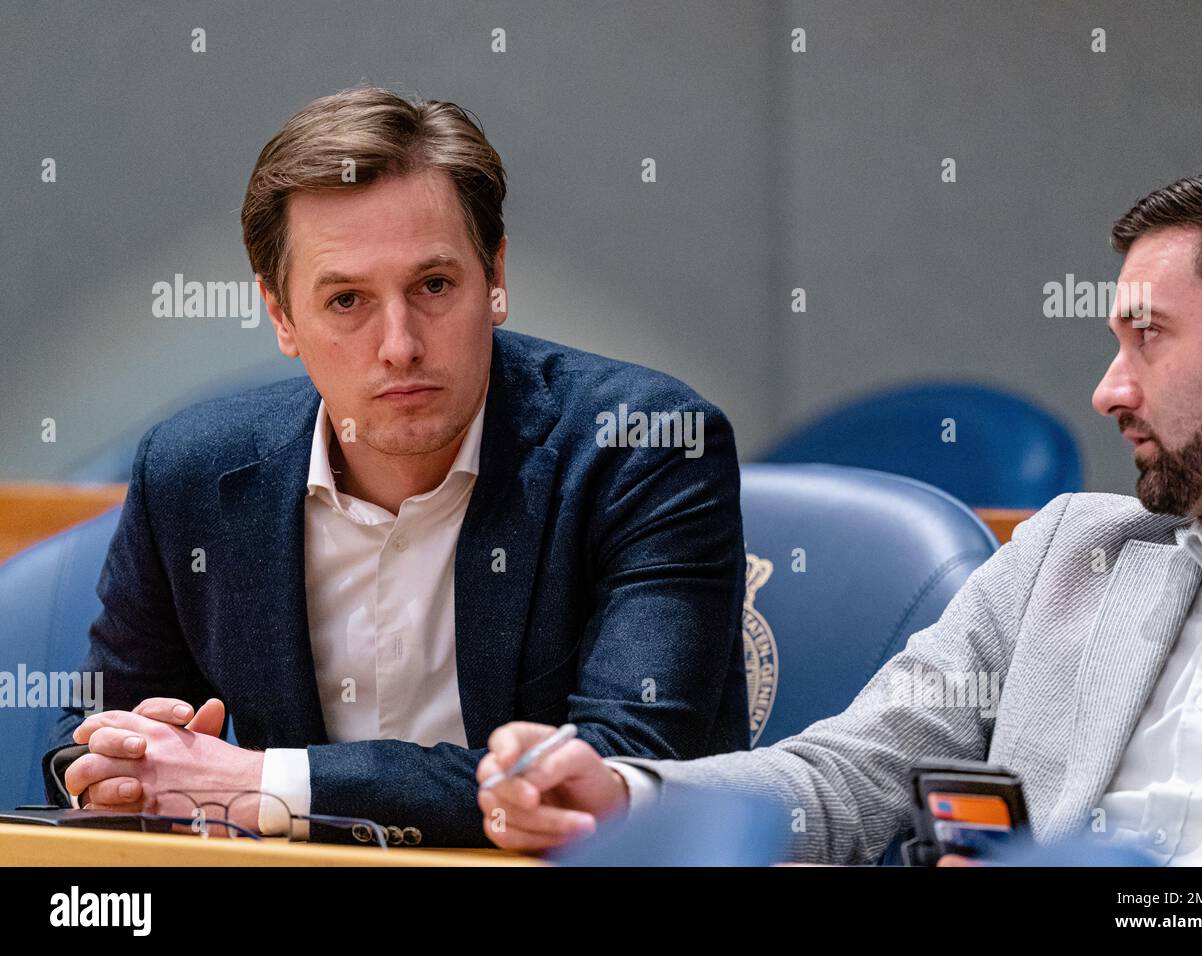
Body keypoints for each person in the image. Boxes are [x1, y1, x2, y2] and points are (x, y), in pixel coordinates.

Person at [477, 164, 1202, 866]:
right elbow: (854, 774)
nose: (1109, 390)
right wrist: (621, 793)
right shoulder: (1070, 553)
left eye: (1147, 337)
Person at [43, 86, 750, 846]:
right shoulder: (192, 472)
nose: (400, 346)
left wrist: (262, 785)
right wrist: (117, 765)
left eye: (434, 286)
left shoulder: (645, 447)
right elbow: (85, 734)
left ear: (496, 276)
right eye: (346, 300)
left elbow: (622, 774)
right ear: (281, 316)